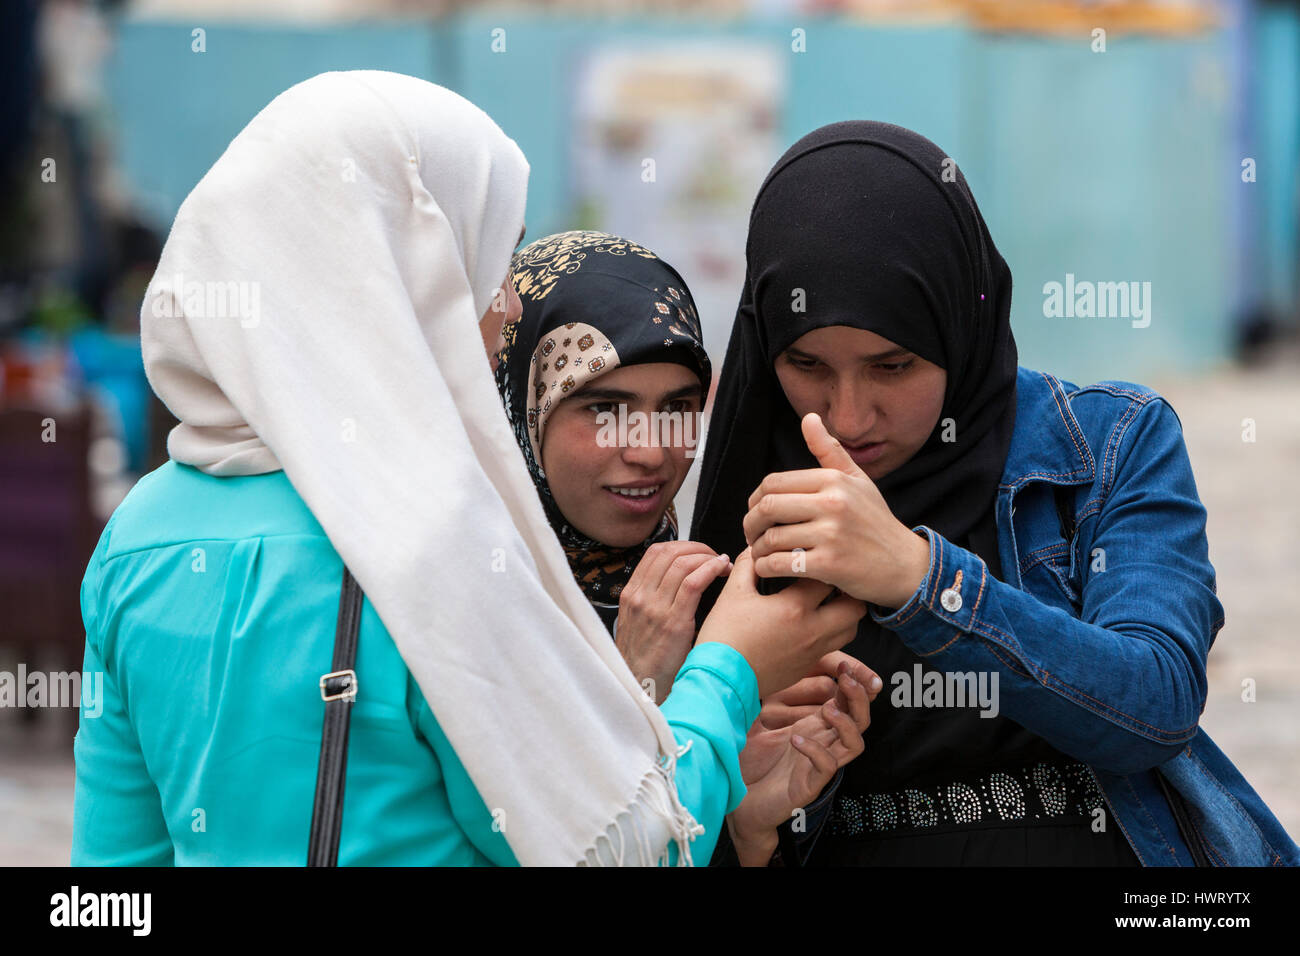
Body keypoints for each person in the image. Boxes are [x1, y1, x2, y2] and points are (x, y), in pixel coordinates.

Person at [70, 72, 869, 867]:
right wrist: (729, 671)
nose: (510, 303)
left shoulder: (140, 534)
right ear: (393, 272)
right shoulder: (423, 528)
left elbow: (112, 875)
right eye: (486, 257)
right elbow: (620, 849)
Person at [690, 120, 1300, 866]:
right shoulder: (754, 506)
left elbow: (1156, 702)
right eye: (806, 363)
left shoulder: (1107, 447)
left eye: (893, 366)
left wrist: (919, 578)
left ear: (960, 324)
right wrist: (752, 823)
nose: (847, 417)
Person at [495, 229, 883, 864]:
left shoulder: (727, 609)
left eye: (678, 407)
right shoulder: (457, 607)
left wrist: (750, 830)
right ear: (520, 406)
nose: (650, 450)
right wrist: (639, 691)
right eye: (603, 408)